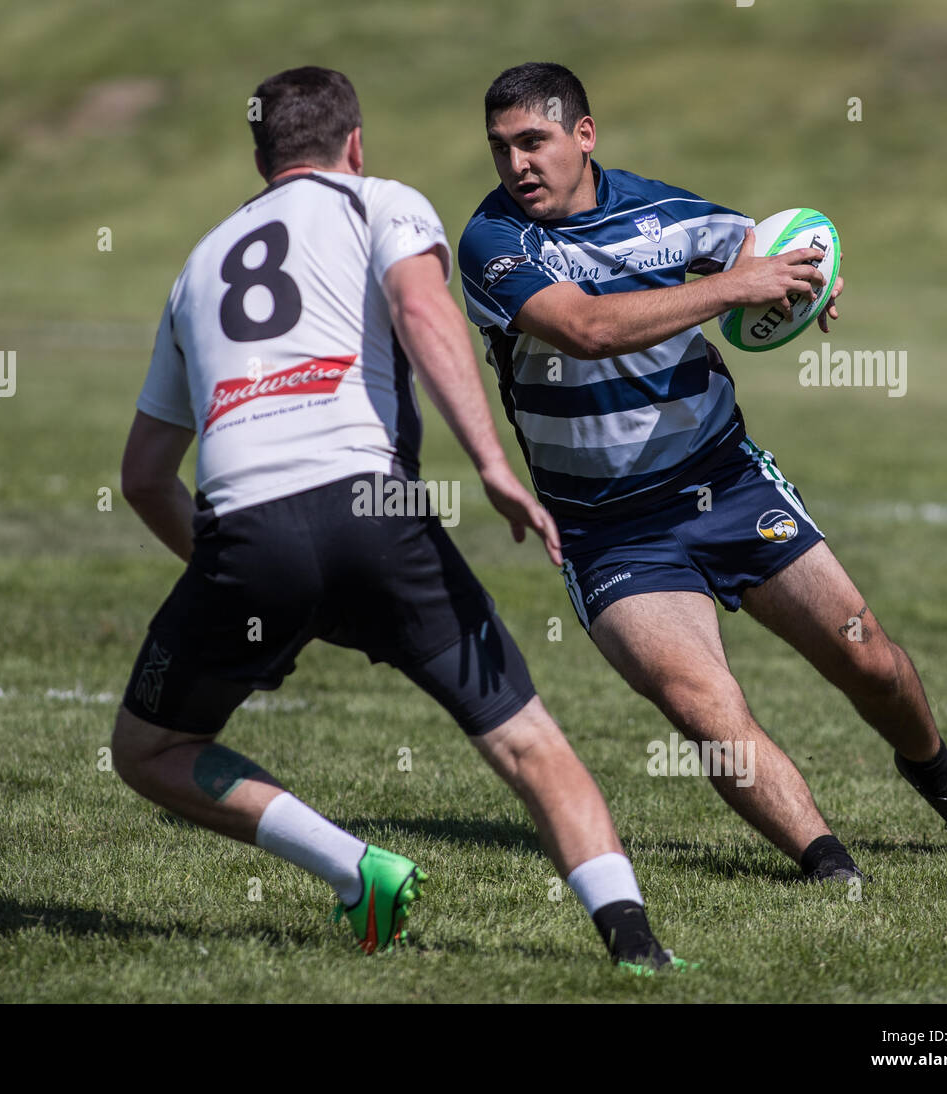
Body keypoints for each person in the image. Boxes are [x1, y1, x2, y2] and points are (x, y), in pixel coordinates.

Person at [112, 66, 692, 972]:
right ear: (353, 145)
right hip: (376, 514)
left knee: (149, 750)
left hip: (244, 535)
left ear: (260, 156)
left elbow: (145, 477)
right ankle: (636, 947)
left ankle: (354, 868)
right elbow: (425, 311)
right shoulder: (378, 200)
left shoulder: (199, 264)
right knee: (527, 739)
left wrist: (242, 585)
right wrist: (494, 466)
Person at [457, 62, 947, 882]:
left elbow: (776, 243)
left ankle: (937, 772)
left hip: (726, 484)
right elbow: (584, 329)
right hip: (610, 533)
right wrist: (730, 287)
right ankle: (831, 871)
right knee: (704, 707)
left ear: (584, 135)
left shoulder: (666, 214)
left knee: (870, 660)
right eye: (501, 149)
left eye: (533, 142)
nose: (517, 167)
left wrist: (808, 277)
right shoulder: (494, 242)